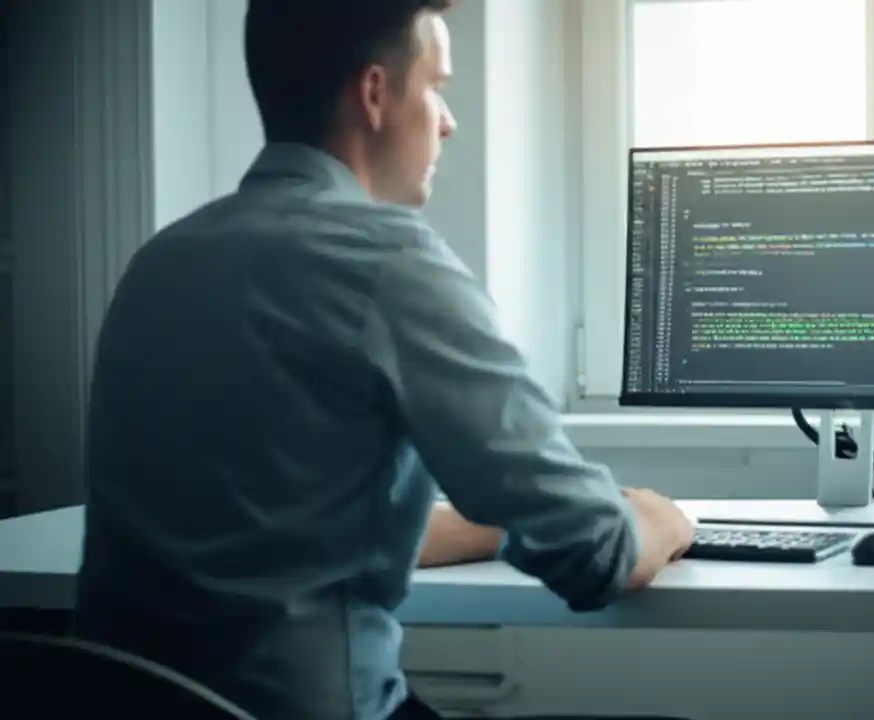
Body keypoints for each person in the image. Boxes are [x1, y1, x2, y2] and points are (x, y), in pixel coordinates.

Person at [72, 1, 694, 718]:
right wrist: (661, 519)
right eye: (437, 87)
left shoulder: (158, 263)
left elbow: (275, 531)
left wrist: (501, 518)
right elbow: (596, 555)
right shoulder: (390, 262)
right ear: (375, 93)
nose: (448, 120)